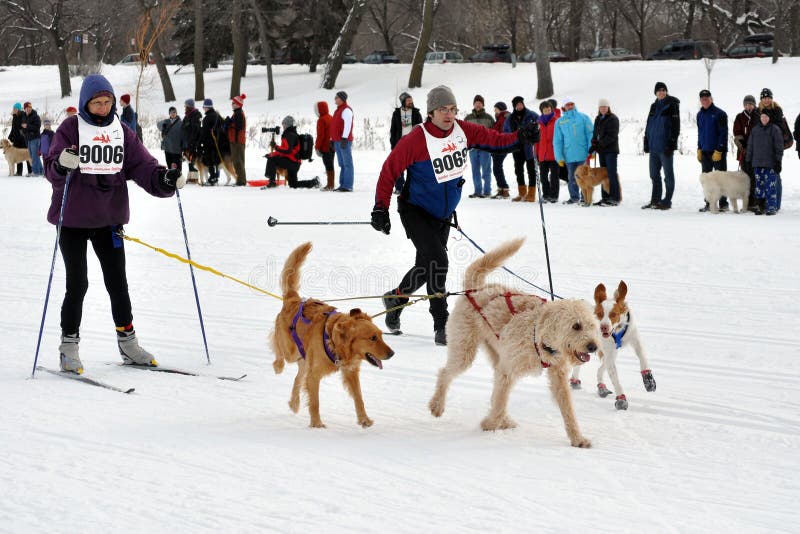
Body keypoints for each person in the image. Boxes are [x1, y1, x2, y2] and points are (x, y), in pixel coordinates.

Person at [370, 85, 539, 346]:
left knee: (426, 268)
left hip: (443, 215)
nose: (448, 115)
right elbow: (389, 170)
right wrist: (380, 208)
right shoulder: (416, 139)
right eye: (442, 110)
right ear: (430, 113)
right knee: (438, 261)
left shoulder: (463, 131)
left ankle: (395, 299)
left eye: (452, 109)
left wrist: (522, 136)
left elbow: (496, 141)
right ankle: (441, 323)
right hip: (415, 211)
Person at [43, 73, 184, 374]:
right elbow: (52, 168)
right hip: (73, 219)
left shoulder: (121, 131)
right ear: (85, 103)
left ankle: (128, 343)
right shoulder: (70, 128)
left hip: (109, 219)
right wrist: (61, 165)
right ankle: (69, 347)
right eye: (97, 103)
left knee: (117, 282)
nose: (103, 108)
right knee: (77, 283)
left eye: (108, 102)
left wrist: (164, 179)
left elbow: (143, 166)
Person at [643, 81, 680, 210]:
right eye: (659, 90)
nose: (661, 92)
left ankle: (667, 201)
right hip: (654, 147)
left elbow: (676, 127)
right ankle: (655, 200)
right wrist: (646, 141)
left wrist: (671, 144)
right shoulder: (653, 106)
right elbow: (649, 124)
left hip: (665, 147)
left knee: (668, 176)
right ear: (655, 93)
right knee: (654, 175)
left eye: (664, 90)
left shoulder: (672, 105)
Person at [553, 96, 593, 205]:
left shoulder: (584, 117)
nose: (570, 106)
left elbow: (590, 134)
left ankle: (585, 197)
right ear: (564, 107)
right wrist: (559, 157)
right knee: (572, 178)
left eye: (572, 104)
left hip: (583, 154)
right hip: (569, 155)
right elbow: (557, 141)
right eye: (568, 104)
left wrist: (592, 150)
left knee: (585, 177)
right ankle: (574, 198)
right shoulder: (559, 122)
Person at [263, 115, 320, 189]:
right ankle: (314, 182)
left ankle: (272, 182)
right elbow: (285, 150)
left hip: (291, 162)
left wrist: (275, 147)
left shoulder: (289, 135)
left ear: (287, 125)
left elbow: (287, 150)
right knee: (293, 184)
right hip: (295, 162)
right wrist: (272, 153)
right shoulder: (291, 134)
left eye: (284, 124)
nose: (283, 126)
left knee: (272, 159)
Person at [758, 88, 791, 211]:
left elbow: (780, 131)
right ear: (761, 99)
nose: (766, 100)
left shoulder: (777, 111)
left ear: (771, 99)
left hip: (774, 148)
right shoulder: (758, 111)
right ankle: (765, 203)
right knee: (763, 177)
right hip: (762, 149)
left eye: (768, 98)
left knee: (775, 175)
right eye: (764, 98)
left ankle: (776, 204)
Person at [697, 89, 729, 212]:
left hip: (717, 152)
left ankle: (723, 204)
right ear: (700, 100)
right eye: (702, 99)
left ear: (711, 99)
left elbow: (723, 133)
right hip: (705, 152)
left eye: (707, 98)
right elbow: (700, 133)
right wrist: (699, 148)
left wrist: (719, 149)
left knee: (721, 179)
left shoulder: (720, 114)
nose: (705, 101)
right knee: (707, 181)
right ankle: (709, 203)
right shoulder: (699, 115)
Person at [746, 111, 783, 216]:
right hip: (757, 163)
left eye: (766, 116)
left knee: (770, 187)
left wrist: (778, 161)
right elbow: (750, 146)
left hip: (770, 164)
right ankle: (760, 206)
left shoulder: (775, 129)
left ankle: (771, 207)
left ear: (769, 118)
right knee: (759, 187)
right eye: (762, 116)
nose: (764, 118)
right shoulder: (755, 130)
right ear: (760, 118)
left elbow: (779, 147)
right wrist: (748, 160)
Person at [503, 96, 539, 202]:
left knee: (531, 171)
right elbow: (505, 131)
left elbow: (540, 125)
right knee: (518, 170)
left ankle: (531, 194)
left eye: (521, 104)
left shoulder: (531, 114)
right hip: (517, 148)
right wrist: (510, 140)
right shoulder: (510, 118)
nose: (519, 106)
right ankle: (522, 193)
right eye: (517, 105)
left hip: (529, 147)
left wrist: (534, 133)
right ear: (514, 106)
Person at [390, 92, 423, 194]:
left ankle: (413, 188)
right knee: (399, 167)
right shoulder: (396, 113)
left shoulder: (416, 113)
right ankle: (399, 187)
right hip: (400, 144)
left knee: (413, 167)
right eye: (408, 100)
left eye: (411, 100)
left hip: (413, 144)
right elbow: (393, 130)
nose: (411, 102)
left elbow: (421, 129)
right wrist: (393, 145)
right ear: (403, 101)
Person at [463, 95, 495, 198]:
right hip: (473, 149)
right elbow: (463, 132)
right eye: (476, 103)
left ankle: (487, 191)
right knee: (475, 170)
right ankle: (477, 191)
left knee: (486, 170)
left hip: (485, 148)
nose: (478, 104)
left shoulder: (489, 118)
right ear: (473, 104)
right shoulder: (468, 118)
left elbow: (494, 132)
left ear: (483, 104)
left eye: (480, 103)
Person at [591, 98, 621, 206]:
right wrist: (594, 144)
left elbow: (612, 136)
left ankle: (615, 198)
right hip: (602, 151)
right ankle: (605, 197)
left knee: (611, 173)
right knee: (603, 174)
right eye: (601, 107)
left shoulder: (613, 119)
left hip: (611, 150)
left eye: (605, 107)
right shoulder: (598, 119)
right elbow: (595, 134)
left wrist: (599, 145)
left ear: (608, 108)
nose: (603, 109)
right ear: (599, 108)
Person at [733, 95, 759, 211]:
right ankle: (747, 202)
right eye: (747, 104)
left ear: (754, 105)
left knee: (755, 177)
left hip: (756, 152)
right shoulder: (739, 117)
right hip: (744, 152)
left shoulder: (758, 116)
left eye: (751, 104)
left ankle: (755, 202)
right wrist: (741, 144)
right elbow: (737, 132)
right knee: (745, 177)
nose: (749, 106)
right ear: (744, 105)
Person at [536, 100, 560, 203]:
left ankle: (554, 196)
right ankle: (546, 195)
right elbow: (536, 140)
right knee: (543, 177)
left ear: (552, 110)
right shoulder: (538, 123)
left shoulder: (557, 121)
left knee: (554, 176)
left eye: (549, 110)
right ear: (542, 111)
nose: (547, 112)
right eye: (545, 110)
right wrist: (536, 153)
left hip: (554, 154)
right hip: (542, 154)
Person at [331, 91, 354, 191]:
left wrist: (344, 138)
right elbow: (335, 126)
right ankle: (342, 185)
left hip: (344, 140)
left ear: (342, 99)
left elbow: (348, 125)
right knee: (342, 164)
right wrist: (332, 139)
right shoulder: (338, 110)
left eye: (337, 97)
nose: (335, 99)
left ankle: (348, 185)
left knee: (347, 163)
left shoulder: (346, 110)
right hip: (337, 140)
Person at [199, 98, 223, 185]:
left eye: (204, 107)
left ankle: (212, 178)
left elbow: (205, 132)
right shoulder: (216, 115)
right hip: (216, 141)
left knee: (209, 160)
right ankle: (215, 177)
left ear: (207, 107)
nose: (203, 109)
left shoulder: (207, 118)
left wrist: (200, 141)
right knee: (215, 160)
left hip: (209, 142)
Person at [490, 101, 511, 198]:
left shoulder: (504, 118)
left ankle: (504, 189)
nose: (495, 111)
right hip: (497, 147)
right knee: (497, 168)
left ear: (501, 109)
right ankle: (502, 189)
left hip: (501, 146)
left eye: (496, 109)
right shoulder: (499, 118)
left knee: (497, 168)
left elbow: (504, 132)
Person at [314, 100, 336, 190]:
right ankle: (331, 184)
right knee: (331, 164)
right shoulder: (331, 117)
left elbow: (320, 135)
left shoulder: (321, 120)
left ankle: (330, 185)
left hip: (325, 146)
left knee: (328, 165)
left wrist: (317, 147)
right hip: (333, 144)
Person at [181, 98, 203, 183]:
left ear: (189, 106)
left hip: (193, 141)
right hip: (187, 141)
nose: (185, 107)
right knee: (189, 159)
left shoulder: (196, 115)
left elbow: (195, 129)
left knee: (193, 159)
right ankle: (190, 176)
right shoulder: (187, 115)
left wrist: (192, 141)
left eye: (185, 106)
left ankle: (195, 178)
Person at [158, 106, 183, 174]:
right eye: (171, 112)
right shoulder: (166, 122)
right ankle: (170, 178)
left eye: (174, 112)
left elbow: (183, 136)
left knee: (177, 168)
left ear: (176, 113)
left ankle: (178, 178)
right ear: (169, 114)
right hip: (168, 149)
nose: (173, 114)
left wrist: (184, 146)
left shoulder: (181, 123)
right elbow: (158, 125)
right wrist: (163, 123)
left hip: (177, 149)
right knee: (169, 166)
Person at [229, 94, 247, 186]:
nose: (232, 104)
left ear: (238, 104)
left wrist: (230, 123)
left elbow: (239, 127)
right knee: (236, 161)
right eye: (232, 102)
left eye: (234, 103)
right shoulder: (236, 113)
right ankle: (240, 180)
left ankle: (241, 181)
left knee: (238, 161)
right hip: (235, 140)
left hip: (238, 141)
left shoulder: (239, 113)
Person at [21, 102, 43, 176]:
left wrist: (27, 126)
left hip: (35, 138)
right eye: (27, 108)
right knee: (32, 155)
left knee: (34, 156)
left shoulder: (35, 116)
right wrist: (24, 130)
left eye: (30, 108)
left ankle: (35, 172)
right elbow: (23, 127)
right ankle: (41, 171)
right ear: (24, 109)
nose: (28, 109)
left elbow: (37, 127)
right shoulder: (24, 116)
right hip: (28, 139)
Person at [8, 103, 30, 176]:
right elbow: (13, 128)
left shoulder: (23, 115)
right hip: (16, 139)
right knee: (17, 156)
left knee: (26, 155)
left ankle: (30, 171)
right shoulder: (14, 116)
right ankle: (19, 172)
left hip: (23, 139)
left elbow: (24, 127)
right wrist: (10, 136)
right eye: (13, 108)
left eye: (15, 108)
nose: (14, 109)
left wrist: (22, 135)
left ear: (18, 109)